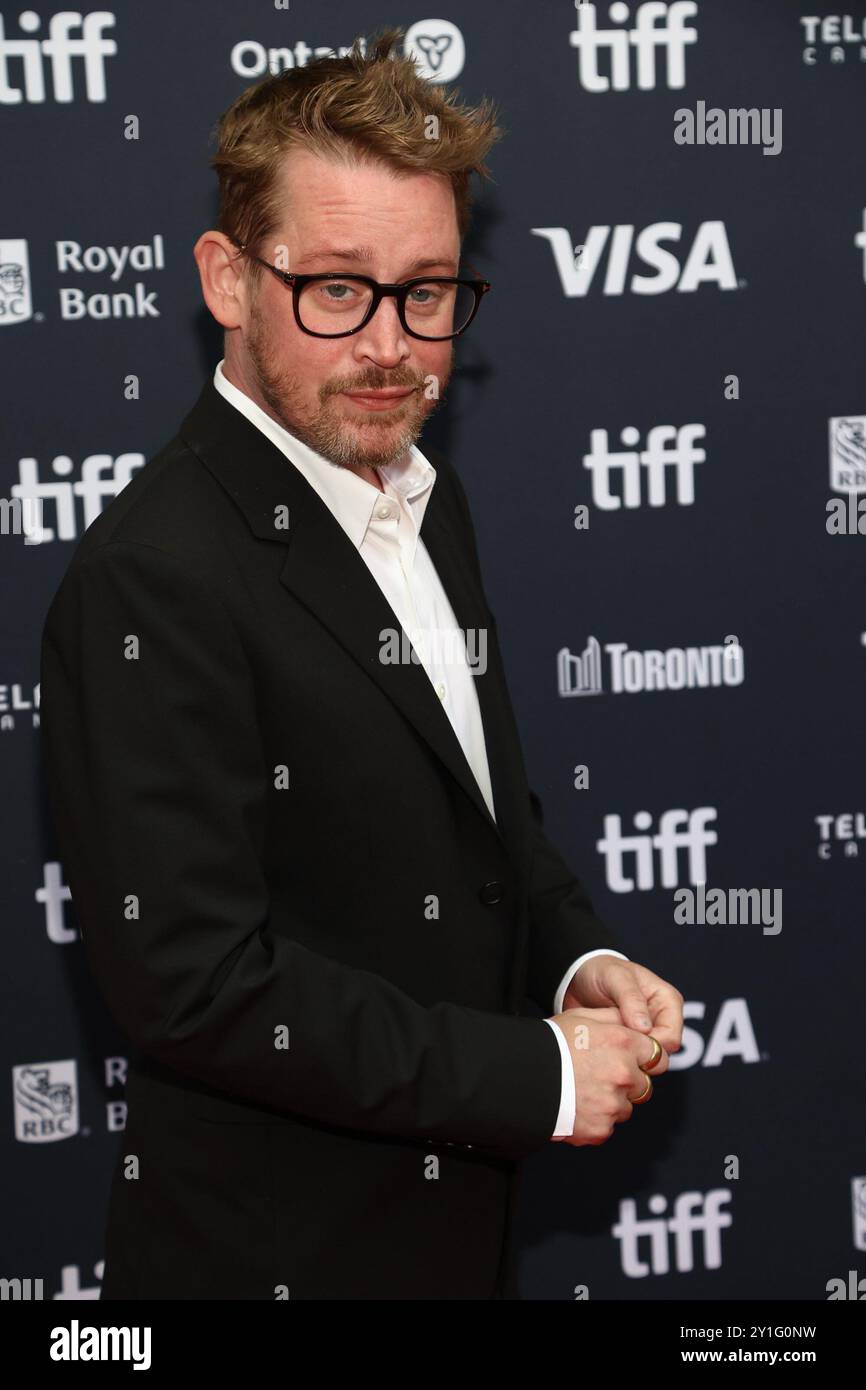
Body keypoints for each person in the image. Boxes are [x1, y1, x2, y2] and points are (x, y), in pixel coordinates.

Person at [40, 28, 683, 1301]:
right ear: (227, 279)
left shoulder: (416, 492)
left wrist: (571, 957)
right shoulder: (151, 575)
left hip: (449, 1240)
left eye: (427, 290)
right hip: (270, 1260)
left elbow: (479, 821)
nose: (393, 346)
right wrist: (538, 1075)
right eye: (337, 288)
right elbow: (193, 984)